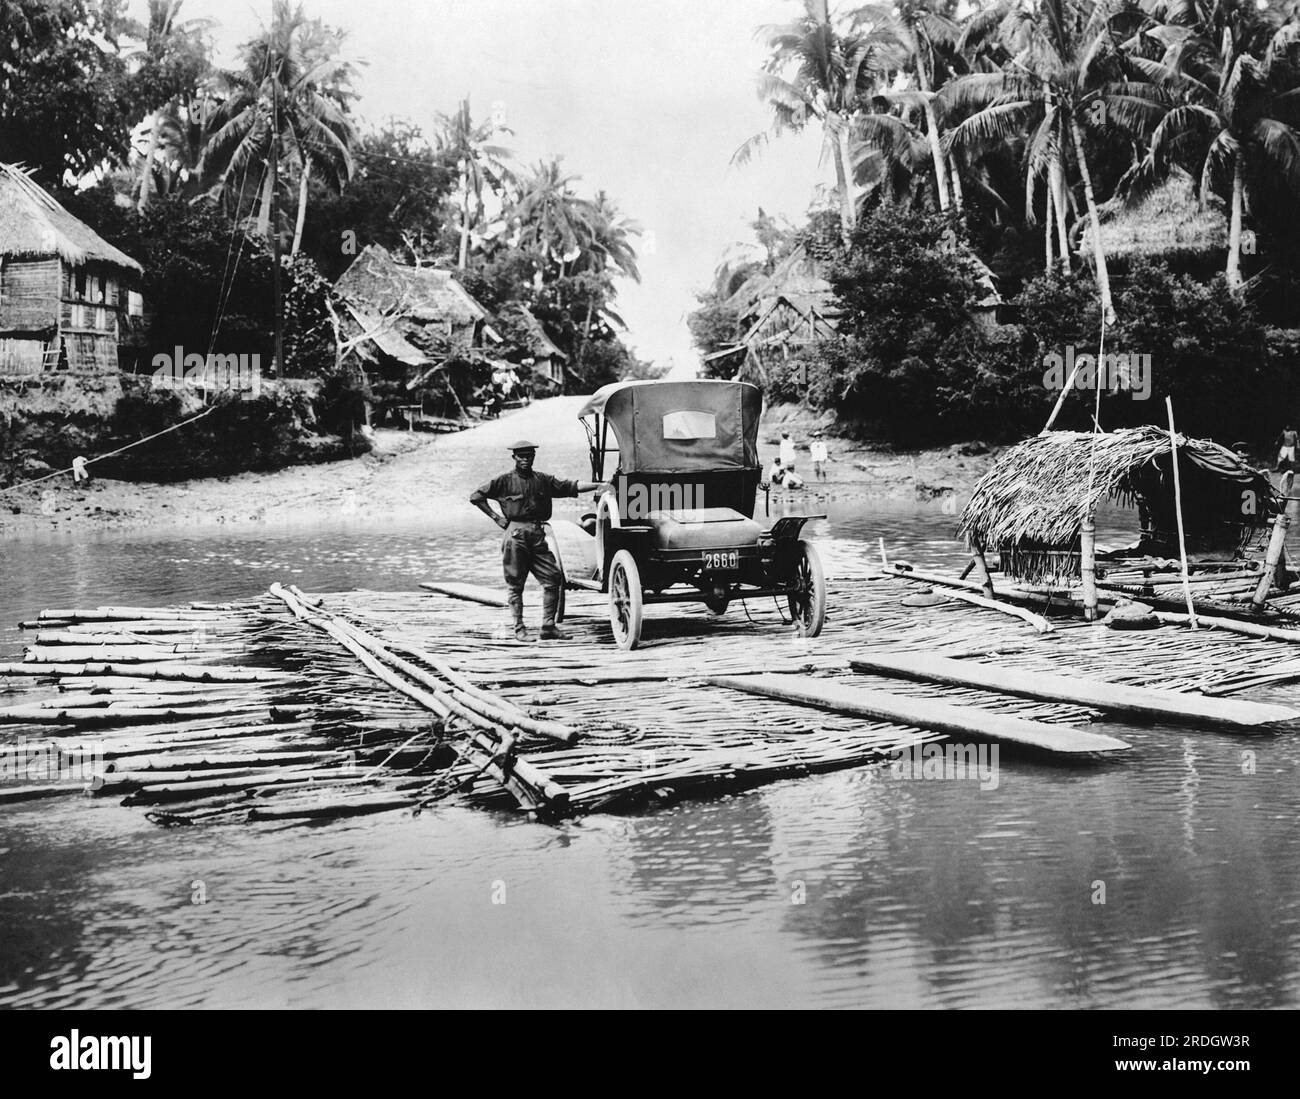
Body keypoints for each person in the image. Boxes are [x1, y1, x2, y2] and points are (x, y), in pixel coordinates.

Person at [470, 441, 605, 642]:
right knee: (516, 584)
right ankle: (519, 629)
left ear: (533, 457)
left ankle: (548, 626)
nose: (525, 460)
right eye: (521, 456)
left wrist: (600, 485)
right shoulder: (504, 481)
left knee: (553, 578)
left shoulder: (542, 480)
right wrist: (496, 517)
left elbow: (570, 486)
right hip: (516, 536)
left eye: (529, 456)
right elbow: (476, 496)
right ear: (514, 458)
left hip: (538, 533)